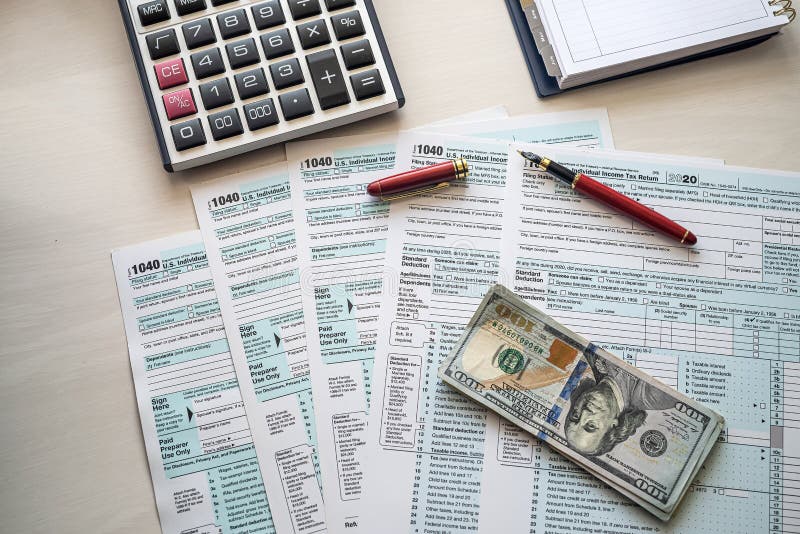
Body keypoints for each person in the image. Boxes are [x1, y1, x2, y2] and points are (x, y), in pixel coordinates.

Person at [564, 350, 674, 457]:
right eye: (591, 425)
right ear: (614, 426)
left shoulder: (590, 355)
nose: (584, 413)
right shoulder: (654, 396)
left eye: (575, 416)